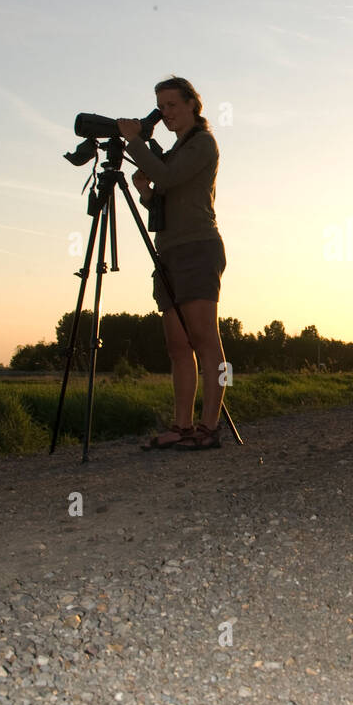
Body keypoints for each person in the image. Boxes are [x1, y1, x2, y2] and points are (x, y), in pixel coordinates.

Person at [117, 77, 227, 450]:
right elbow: (166, 198)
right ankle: (182, 427)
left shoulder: (202, 144)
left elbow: (168, 175)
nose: (165, 113)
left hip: (198, 248)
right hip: (170, 251)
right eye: (161, 107)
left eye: (172, 105)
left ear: (193, 105)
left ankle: (209, 428)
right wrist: (146, 193)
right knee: (178, 345)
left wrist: (135, 141)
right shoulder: (175, 149)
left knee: (204, 340)